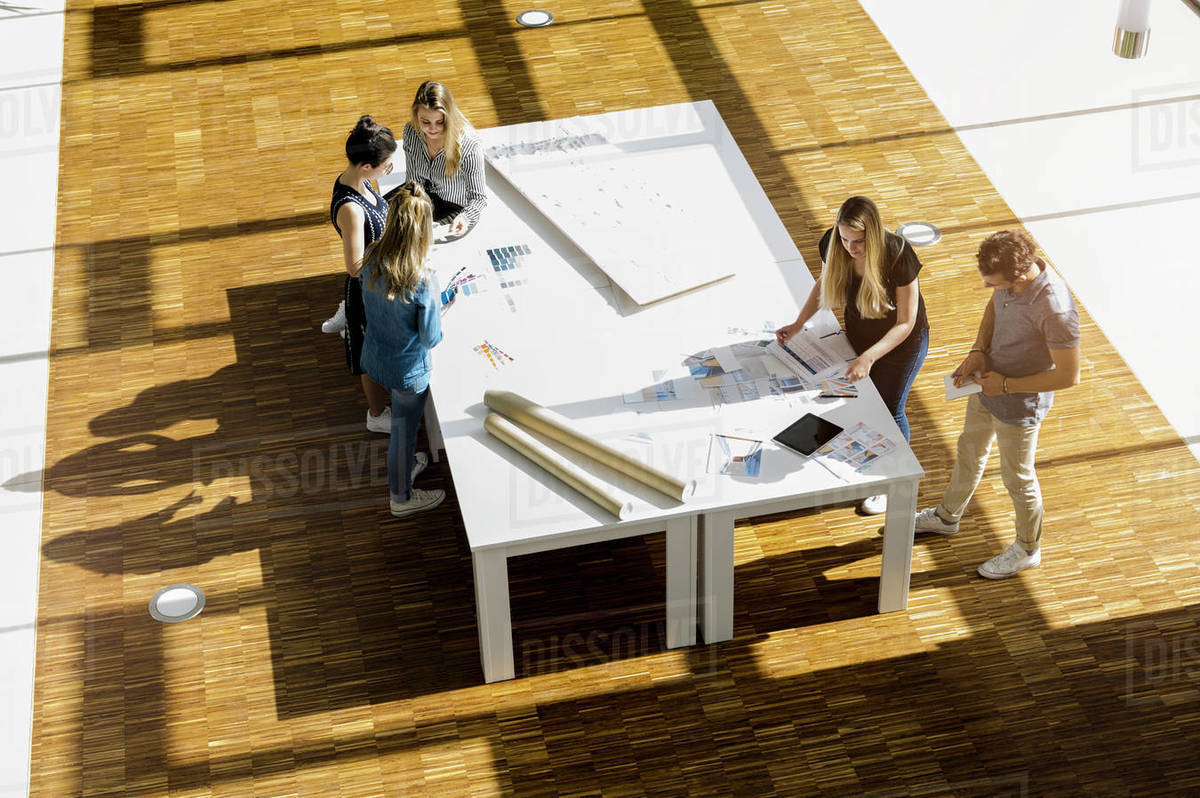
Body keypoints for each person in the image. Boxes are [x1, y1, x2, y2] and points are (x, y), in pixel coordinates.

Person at [914, 230, 1080, 579]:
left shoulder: (1054, 308)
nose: (995, 291)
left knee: (1017, 478)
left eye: (999, 284)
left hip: (1019, 405)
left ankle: (1027, 549)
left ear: (1020, 276)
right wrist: (978, 352)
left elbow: (1068, 376)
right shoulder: (1007, 286)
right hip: (987, 383)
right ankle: (947, 517)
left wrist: (1005, 385)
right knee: (968, 452)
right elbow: (994, 308)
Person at [775, 196, 929, 514]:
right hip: (862, 336)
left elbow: (906, 322)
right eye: (845, 239)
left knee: (891, 408)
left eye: (858, 242)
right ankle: (868, 464)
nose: (850, 248)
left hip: (902, 345)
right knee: (862, 401)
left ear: (873, 234)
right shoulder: (834, 244)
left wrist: (869, 358)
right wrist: (798, 324)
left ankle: (893, 482)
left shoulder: (898, 254)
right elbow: (824, 283)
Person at [359, 181, 455, 517]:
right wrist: (439, 310)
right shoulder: (423, 279)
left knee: (402, 434)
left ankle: (408, 467)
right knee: (403, 433)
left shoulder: (370, 257)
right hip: (407, 372)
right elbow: (430, 339)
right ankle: (400, 497)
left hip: (374, 357)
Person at [326, 115, 397, 434]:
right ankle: (377, 414)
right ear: (367, 166)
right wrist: (395, 257)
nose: (389, 169)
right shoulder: (352, 210)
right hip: (368, 290)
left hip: (377, 281)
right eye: (386, 165)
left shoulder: (356, 179)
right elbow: (354, 266)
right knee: (369, 357)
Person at [399, 81, 487, 237]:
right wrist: (413, 208)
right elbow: (412, 181)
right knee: (380, 221)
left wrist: (465, 219)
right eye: (425, 122)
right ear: (416, 116)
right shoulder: (411, 132)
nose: (432, 129)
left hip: (455, 208)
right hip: (423, 196)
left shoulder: (470, 145)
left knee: (413, 239)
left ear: (449, 117)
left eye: (440, 122)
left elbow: (478, 198)